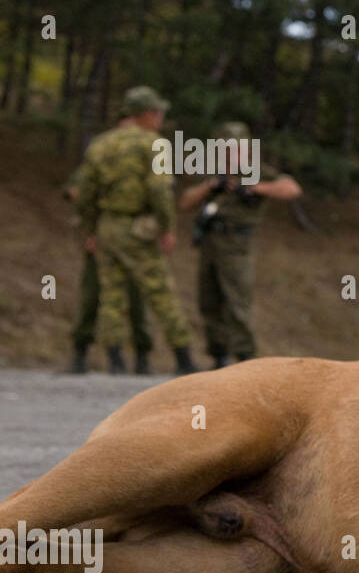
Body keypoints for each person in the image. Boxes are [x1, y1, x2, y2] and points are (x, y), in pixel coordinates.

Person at [74, 86, 196, 375]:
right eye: (158, 112)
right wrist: (167, 228)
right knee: (160, 291)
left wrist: (90, 230)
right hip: (138, 229)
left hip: (107, 227)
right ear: (147, 114)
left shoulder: (101, 144)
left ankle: (115, 359)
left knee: (111, 294)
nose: (161, 118)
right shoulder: (154, 144)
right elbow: (159, 189)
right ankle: (184, 359)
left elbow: (86, 193)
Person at [178, 121, 302, 368]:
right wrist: (210, 186)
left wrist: (255, 187)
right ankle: (218, 355)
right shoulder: (213, 173)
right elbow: (185, 202)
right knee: (209, 300)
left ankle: (244, 357)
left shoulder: (256, 171)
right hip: (210, 242)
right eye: (226, 148)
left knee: (237, 300)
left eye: (237, 147)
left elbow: (291, 189)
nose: (232, 153)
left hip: (238, 244)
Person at [63, 163, 153, 374]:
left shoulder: (142, 162)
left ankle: (142, 356)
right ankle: (82, 352)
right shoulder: (100, 159)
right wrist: (91, 229)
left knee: (136, 298)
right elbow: (74, 192)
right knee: (91, 296)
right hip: (101, 240)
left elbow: (157, 200)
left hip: (134, 242)